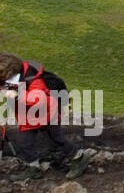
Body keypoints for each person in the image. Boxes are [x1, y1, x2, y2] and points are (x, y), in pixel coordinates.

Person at [0, 53, 90, 181]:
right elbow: (4, 86)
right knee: (23, 142)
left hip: (48, 114)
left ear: (10, 73)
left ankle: (79, 158)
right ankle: (33, 168)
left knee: (57, 139)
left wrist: (16, 96)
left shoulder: (34, 79)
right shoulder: (11, 79)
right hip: (27, 117)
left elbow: (39, 99)